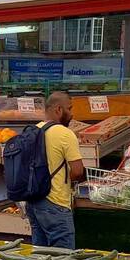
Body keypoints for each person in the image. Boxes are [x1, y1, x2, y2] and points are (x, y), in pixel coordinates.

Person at [24, 91, 85, 249]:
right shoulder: (65, 134)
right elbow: (78, 170)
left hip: (34, 202)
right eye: (69, 109)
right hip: (56, 203)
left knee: (40, 256)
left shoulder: (33, 130)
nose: (71, 114)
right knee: (63, 259)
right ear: (58, 109)